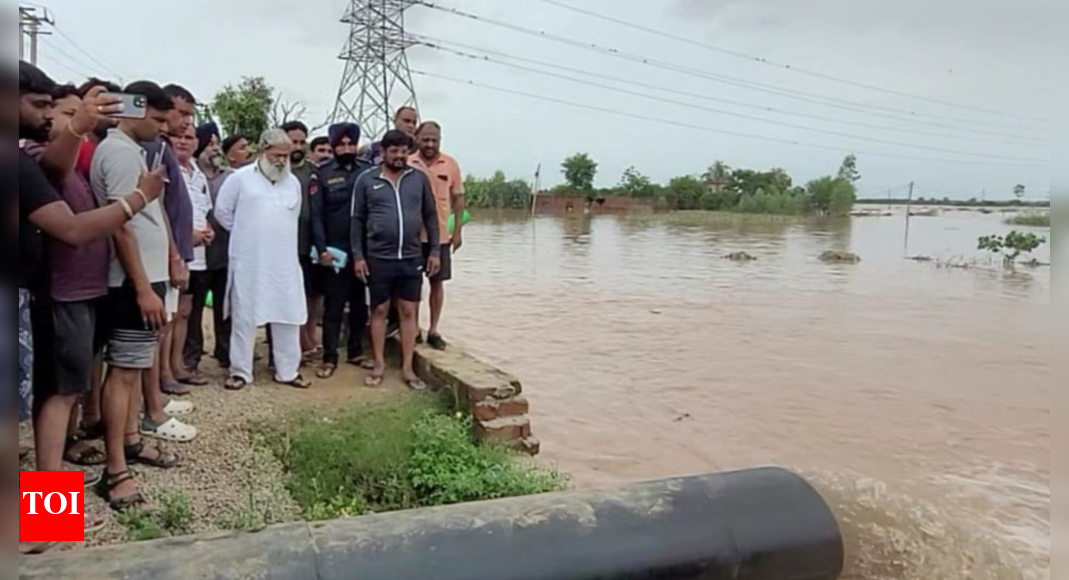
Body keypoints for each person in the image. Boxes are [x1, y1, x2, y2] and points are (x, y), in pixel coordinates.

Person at [90, 80, 188, 510]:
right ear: (134, 107)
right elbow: (120, 224)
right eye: (159, 119)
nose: (164, 129)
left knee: (129, 368)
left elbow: (146, 216)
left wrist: (165, 262)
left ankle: (126, 446)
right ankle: (112, 475)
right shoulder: (115, 151)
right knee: (112, 376)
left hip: (138, 280)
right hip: (126, 284)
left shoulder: (131, 153)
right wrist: (143, 287)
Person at [21, 85, 114, 477]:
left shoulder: (72, 162)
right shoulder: (36, 157)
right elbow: (72, 229)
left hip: (81, 291)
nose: (82, 120)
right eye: (62, 111)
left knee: (66, 392)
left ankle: (51, 494)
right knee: (57, 396)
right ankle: (50, 512)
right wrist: (135, 201)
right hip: (62, 293)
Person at [215, 129, 311, 391]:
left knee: (288, 315)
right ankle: (240, 372)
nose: (281, 160)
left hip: (284, 261)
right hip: (249, 261)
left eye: (285, 156)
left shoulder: (292, 182)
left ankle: (288, 371)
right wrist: (246, 233)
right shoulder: (240, 179)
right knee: (244, 316)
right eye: (276, 155)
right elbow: (222, 211)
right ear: (262, 152)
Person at [351, 130, 440, 390]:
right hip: (378, 258)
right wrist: (358, 256)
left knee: (408, 311)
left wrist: (434, 251)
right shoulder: (367, 180)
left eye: (403, 151)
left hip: (411, 257)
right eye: (394, 151)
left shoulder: (418, 180)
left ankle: (408, 368)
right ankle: (378, 365)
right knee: (378, 310)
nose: (399, 156)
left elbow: (431, 217)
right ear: (383, 152)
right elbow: (356, 220)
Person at [311, 123, 374, 379]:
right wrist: (322, 249)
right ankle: (329, 357)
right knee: (334, 307)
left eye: (351, 144)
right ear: (334, 146)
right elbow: (316, 215)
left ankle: (356, 351)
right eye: (341, 144)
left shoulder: (369, 172)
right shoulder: (322, 174)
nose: (346, 148)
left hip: (363, 252)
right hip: (335, 253)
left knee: (360, 305)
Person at [409, 121, 466, 350]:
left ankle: (433, 330)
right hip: (412, 237)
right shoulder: (408, 162)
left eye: (435, 140)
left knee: (437, 283)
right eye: (426, 139)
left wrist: (458, 231)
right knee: (411, 286)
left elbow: (459, 199)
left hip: (441, 237)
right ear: (418, 139)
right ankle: (412, 329)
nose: (430, 144)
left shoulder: (450, 164)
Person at [184, 121, 233, 372]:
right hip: (198, 254)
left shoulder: (231, 177)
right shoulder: (190, 175)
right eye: (210, 144)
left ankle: (225, 353)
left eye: (217, 143)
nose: (215, 149)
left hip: (224, 253)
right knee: (193, 310)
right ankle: (190, 358)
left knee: (225, 307)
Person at [170, 122, 214, 391]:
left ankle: (178, 366)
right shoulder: (166, 168)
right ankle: (164, 371)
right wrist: (189, 236)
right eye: (178, 136)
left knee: (186, 313)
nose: (184, 142)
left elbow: (204, 209)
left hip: (199, 256)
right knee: (170, 316)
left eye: (189, 137)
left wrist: (206, 231)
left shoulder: (197, 173)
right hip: (175, 252)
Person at [282, 120, 324, 361]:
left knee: (312, 293)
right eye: (292, 141)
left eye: (300, 142)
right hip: (283, 245)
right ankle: (291, 345)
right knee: (288, 294)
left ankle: (308, 337)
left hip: (309, 244)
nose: (296, 146)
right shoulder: (274, 170)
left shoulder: (313, 172)